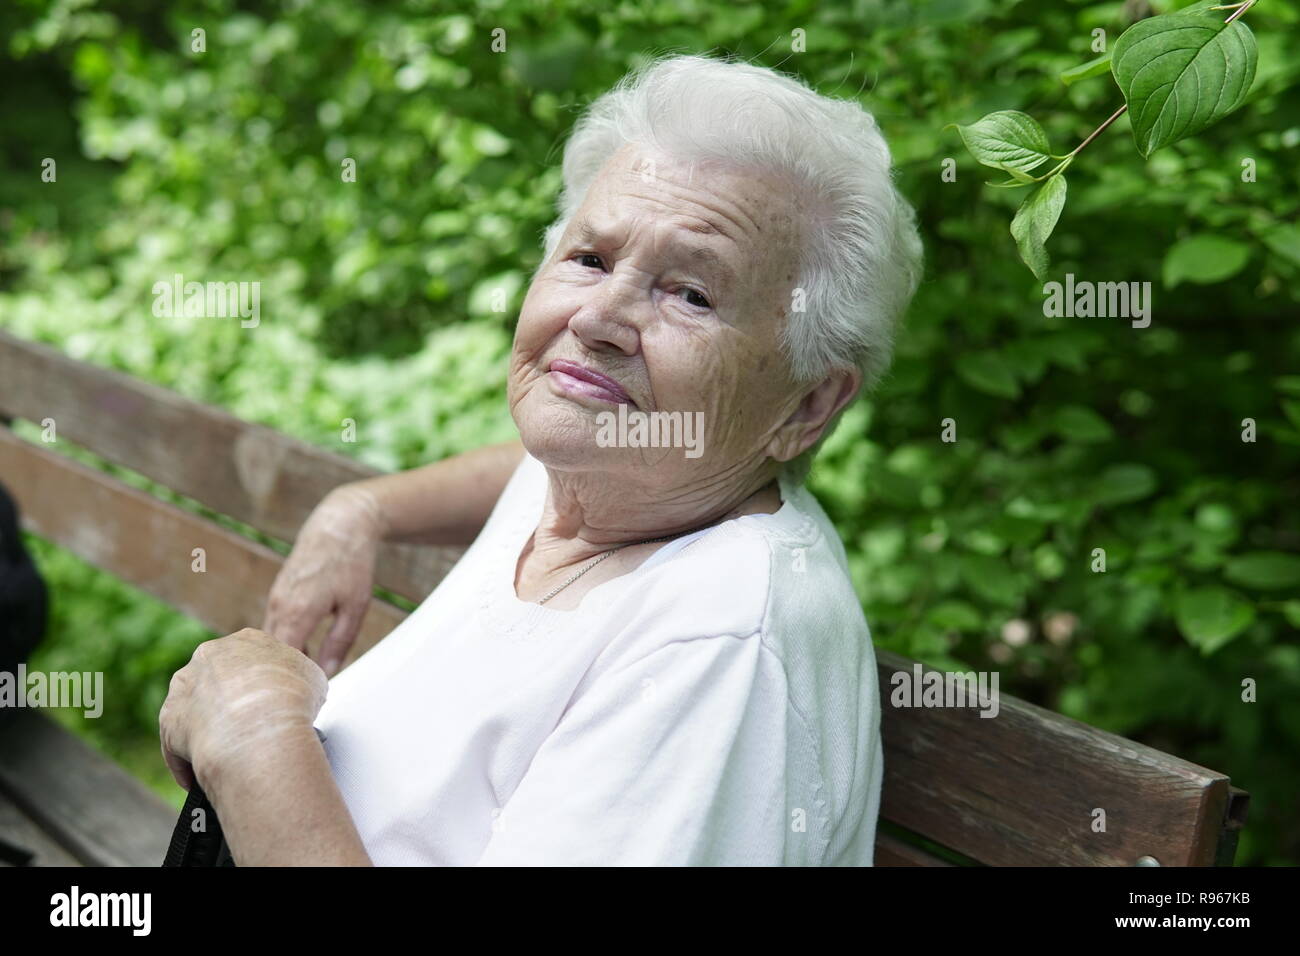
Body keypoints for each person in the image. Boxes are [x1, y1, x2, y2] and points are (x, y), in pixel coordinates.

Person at [158, 52, 924, 865]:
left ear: (807, 405)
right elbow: (519, 467)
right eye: (590, 258)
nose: (601, 316)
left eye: (691, 294)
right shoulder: (612, 478)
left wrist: (257, 744)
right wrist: (362, 511)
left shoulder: (716, 645)